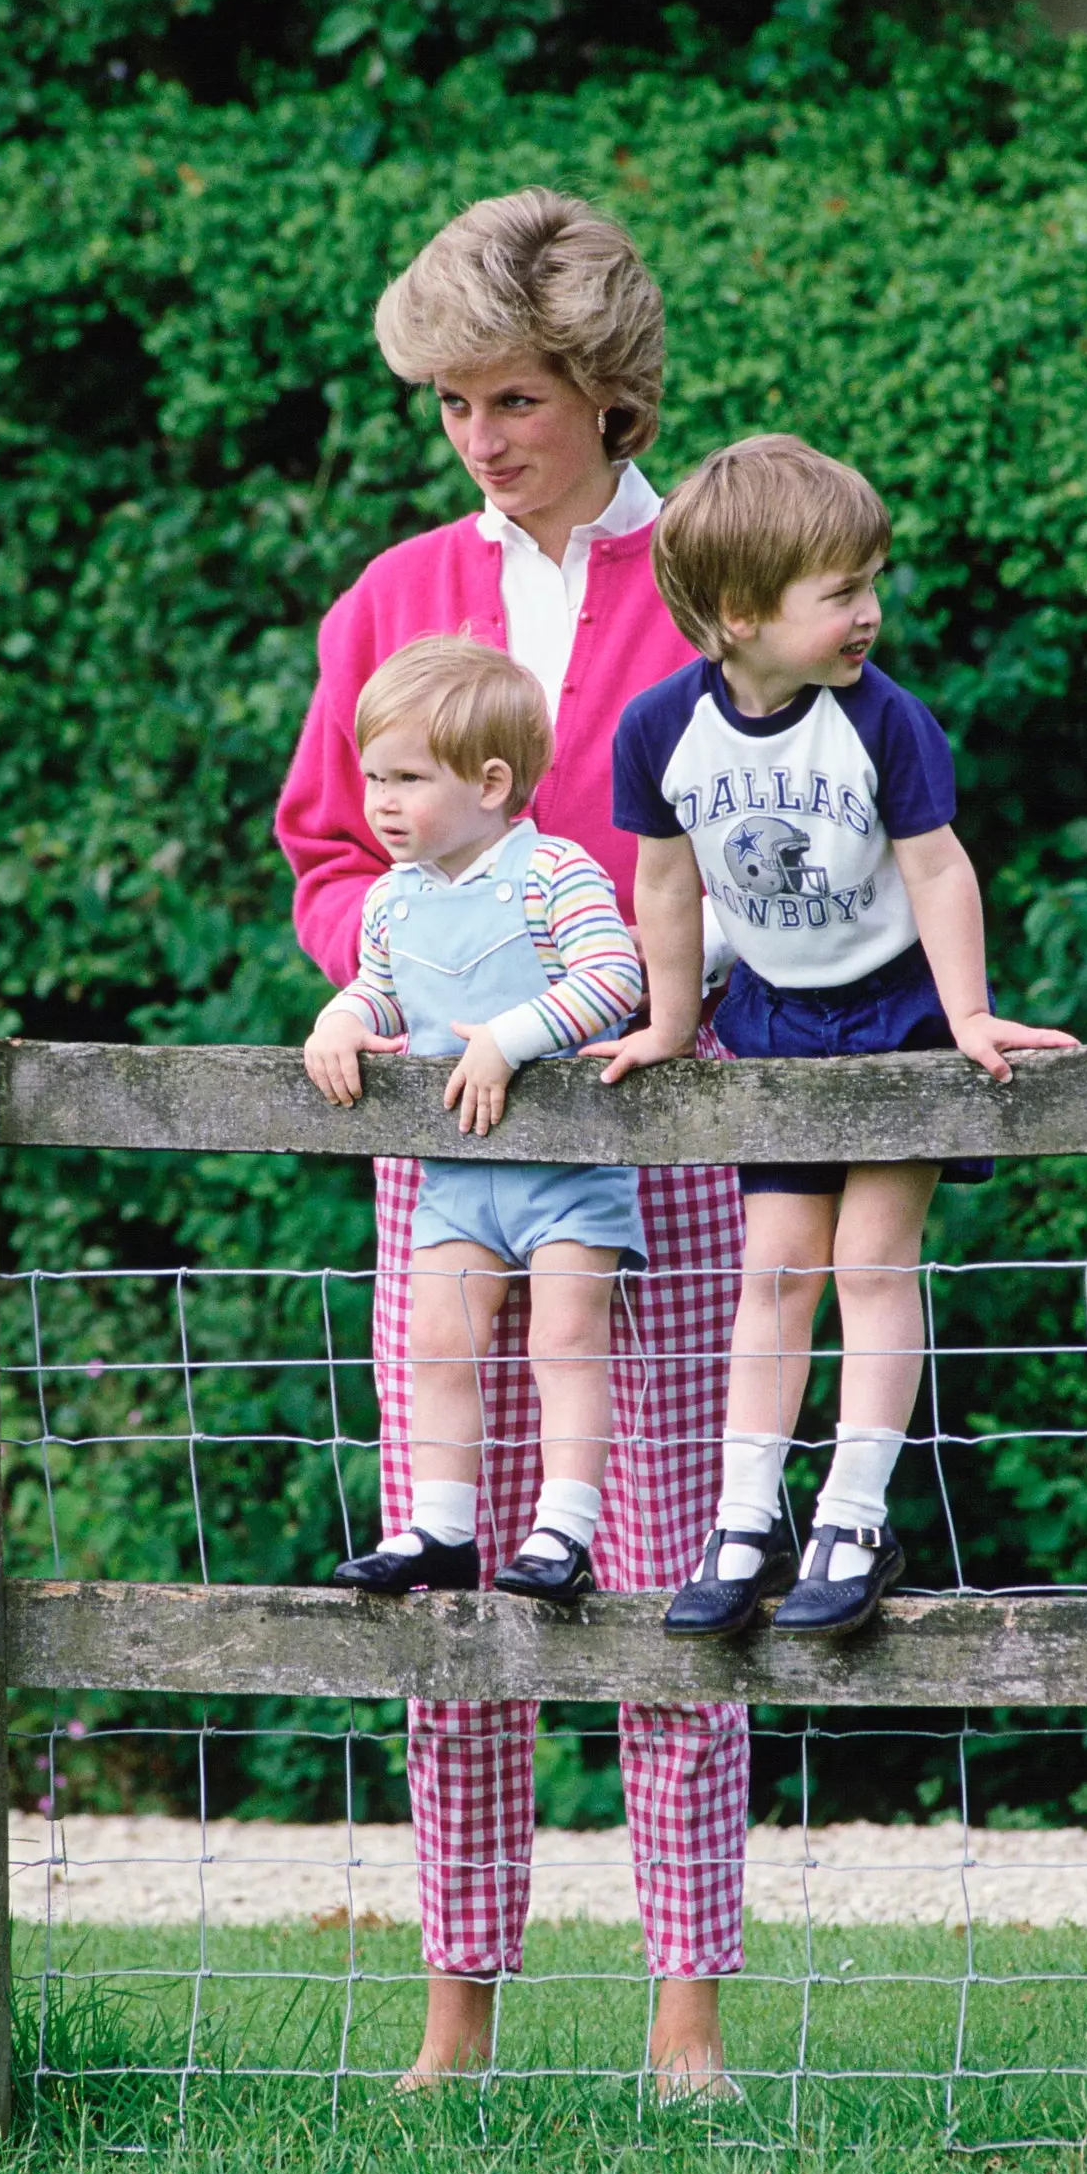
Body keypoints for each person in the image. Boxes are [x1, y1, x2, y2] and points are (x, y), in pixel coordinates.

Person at [276, 189, 748, 2098]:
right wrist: (388, 985)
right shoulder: (395, 597)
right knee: (456, 1575)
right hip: (454, 1158)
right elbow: (326, 849)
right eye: (454, 400)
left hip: (680, 1141)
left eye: (513, 395)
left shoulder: (719, 573)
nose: (478, 434)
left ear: (606, 391)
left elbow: (803, 820)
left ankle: (686, 2027)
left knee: (665, 1581)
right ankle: (454, 2019)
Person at [598, 434, 1078, 1637]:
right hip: (769, 1020)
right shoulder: (660, 732)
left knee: (870, 1263)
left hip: (895, 1009)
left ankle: (854, 1515)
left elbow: (936, 867)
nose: (870, 613)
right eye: (840, 593)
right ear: (737, 614)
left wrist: (964, 1012)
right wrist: (667, 1020)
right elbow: (664, 889)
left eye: (871, 582)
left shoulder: (885, 722)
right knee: (772, 1276)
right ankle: (745, 1517)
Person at [304, 636, 646, 1601]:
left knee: (565, 1340)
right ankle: (442, 1528)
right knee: (437, 1343)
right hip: (455, 1181)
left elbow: (615, 977)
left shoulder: (556, 873)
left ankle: (563, 1530)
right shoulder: (389, 902)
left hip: (566, 1176)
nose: (379, 801)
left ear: (493, 781)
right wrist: (341, 1018)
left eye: (407, 778)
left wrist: (512, 1034)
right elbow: (381, 994)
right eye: (371, 777)